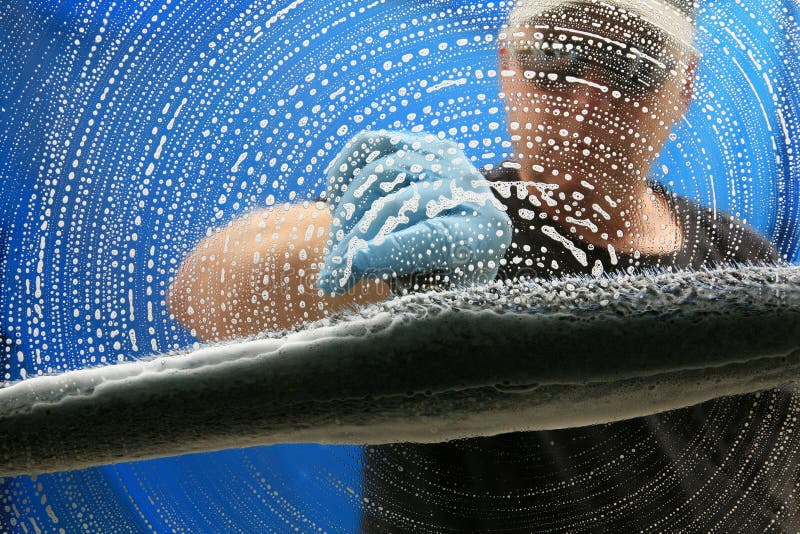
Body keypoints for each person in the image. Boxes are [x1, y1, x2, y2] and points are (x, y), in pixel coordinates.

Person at [168, 0, 794, 530]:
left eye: (629, 65)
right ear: (506, 65)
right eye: (554, 59)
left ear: (683, 87)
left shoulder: (741, 257)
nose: (586, 102)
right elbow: (211, 291)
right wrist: (367, 248)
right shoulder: (446, 234)